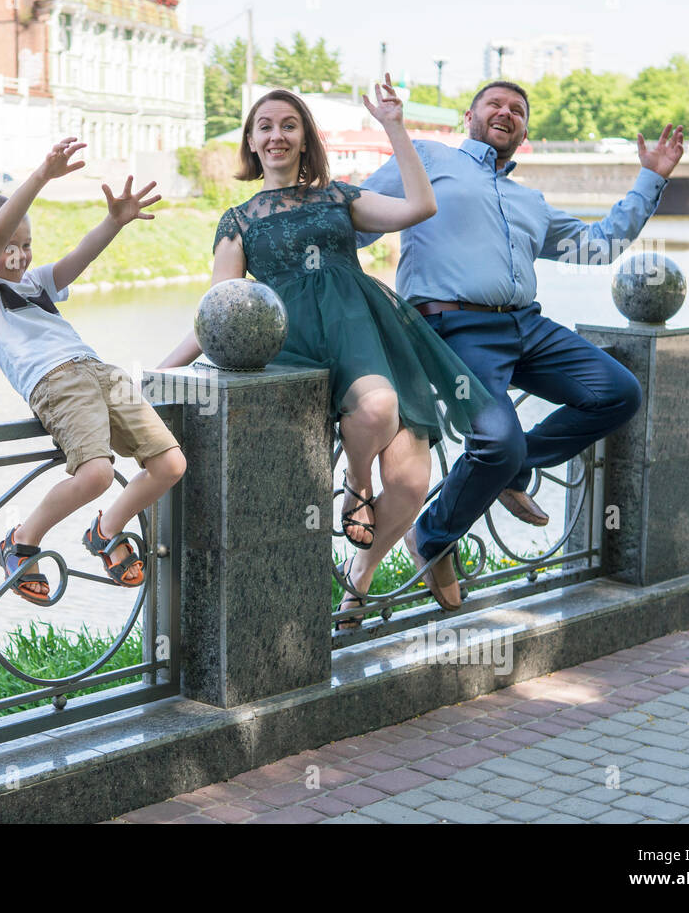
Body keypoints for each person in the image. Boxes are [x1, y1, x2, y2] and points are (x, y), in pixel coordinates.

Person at [160, 80, 493, 620]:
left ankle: (357, 583)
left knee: (411, 484)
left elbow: (420, 205)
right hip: (296, 350)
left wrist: (393, 125)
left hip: (368, 337)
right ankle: (357, 481)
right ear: (249, 141)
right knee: (378, 407)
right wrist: (160, 371)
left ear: (305, 138)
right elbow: (218, 312)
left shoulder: (340, 196)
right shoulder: (238, 222)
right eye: (264, 126)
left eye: (288, 125)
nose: (276, 135)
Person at [356, 80, 685, 608]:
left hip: (526, 326)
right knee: (496, 441)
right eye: (495, 104)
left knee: (618, 393)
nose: (506, 112)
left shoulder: (530, 200)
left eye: (518, 109)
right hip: (454, 327)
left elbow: (598, 247)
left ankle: (503, 475)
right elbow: (356, 220)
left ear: (525, 130)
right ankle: (435, 534)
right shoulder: (428, 160)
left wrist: (651, 178)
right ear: (470, 116)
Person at [0, 138, 187, 603]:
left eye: (27, 245)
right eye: (9, 247)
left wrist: (114, 222)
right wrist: (41, 175)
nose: (20, 255)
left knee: (170, 464)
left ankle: (106, 530)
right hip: (54, 380)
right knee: (96, 473)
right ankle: (20, 541)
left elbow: (79, 257)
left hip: (101, 370)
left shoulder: (36, 280)